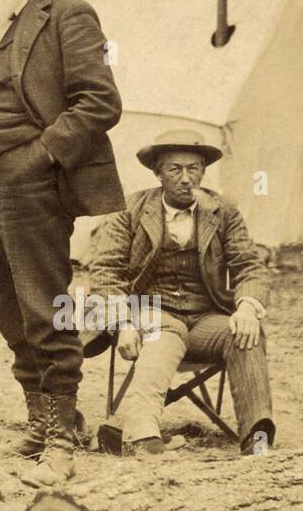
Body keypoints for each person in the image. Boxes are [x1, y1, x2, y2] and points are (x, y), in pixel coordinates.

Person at [0, 0, 124, 487]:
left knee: (43, 301)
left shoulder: (70, 16)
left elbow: (100, 102)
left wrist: (39, 156)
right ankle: (40, 417)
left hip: (32, 180)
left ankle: (62, 438)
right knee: (7, 304)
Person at [89, 129, 275, 457]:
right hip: (149, 311)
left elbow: (249, 264)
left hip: (205, 316)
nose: (186, 179)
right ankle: (144, 436)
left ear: (203, 172)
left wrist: (247, 306)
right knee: (166, 332)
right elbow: (106, 272)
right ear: (158, 173)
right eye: (175, 169)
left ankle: (256, 436)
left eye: (194, 169)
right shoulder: (129, 208)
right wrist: (123, 323)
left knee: (245, 332)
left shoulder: (223, 210)